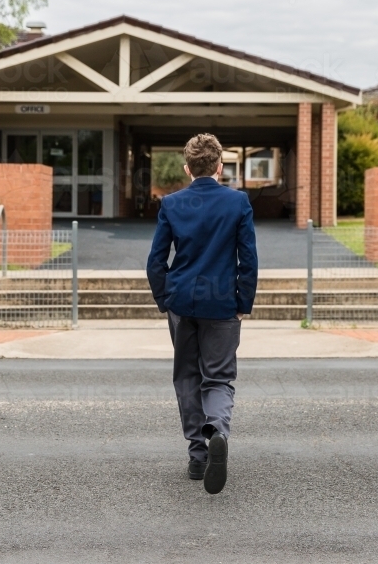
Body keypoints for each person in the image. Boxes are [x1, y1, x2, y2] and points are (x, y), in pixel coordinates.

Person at [146, 133, 258, 495]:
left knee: (187, 378)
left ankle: (197, 457)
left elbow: (155, 262)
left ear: (187, 168)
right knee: (219, 378)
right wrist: (243, 304)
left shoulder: (172, 204)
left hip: (182, 303)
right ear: (220, 167)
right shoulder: (237, 202)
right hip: (223, 303)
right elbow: (248, 260)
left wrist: (165, 299)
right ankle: (218, 431)